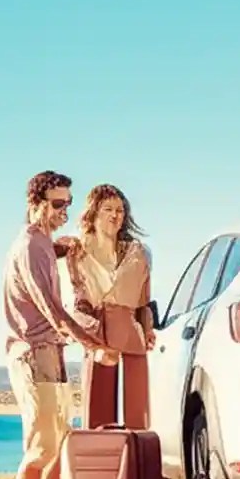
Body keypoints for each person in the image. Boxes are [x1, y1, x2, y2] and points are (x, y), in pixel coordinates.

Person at [1, 170, 104, 479]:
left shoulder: (42, 243)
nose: (65, 211)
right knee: (42, 447)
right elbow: (50, 306)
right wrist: (92, 343)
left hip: (51, 352)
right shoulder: (29, 245)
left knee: (61, 445)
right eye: (58, 204)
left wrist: (62, 249)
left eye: (68, 204)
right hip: (35, 353)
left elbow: (47, 260)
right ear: (35, 204)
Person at [58, 184, 156, 429]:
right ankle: (99, 465)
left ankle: (137, 465)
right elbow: (74, 303)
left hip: (132, 336)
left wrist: (148, 329)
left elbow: (144, 300)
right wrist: (92, 340)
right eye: (108, 209)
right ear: (93, 212)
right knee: (97, 416)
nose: (115, 216)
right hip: (96, 335)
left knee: (138, 417)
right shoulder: (75, 250)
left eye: (120, 211)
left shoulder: (139, 252)